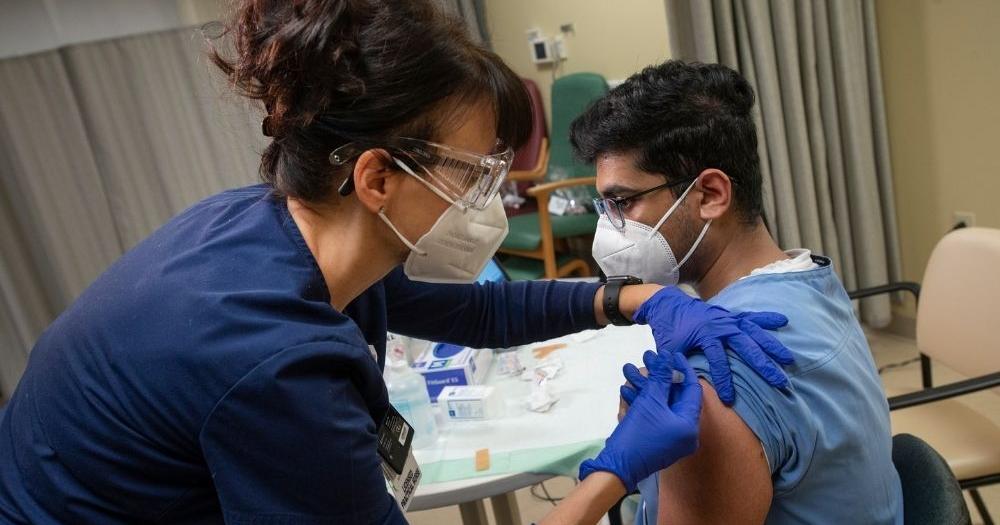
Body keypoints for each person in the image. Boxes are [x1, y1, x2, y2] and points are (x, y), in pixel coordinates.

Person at [0, 3, 793, 525]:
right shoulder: (274, 363)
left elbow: (477, 311)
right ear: (378, 176)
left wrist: (638, 298)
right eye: (474, 172)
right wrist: (611, 472)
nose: (491, 197)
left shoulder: (282, 227)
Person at [571, 60, 903, 524]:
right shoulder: (809, 278)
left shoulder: (712, 385)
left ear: (710, 194)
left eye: (622, 202)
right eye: (604, 206)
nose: (609, 228)